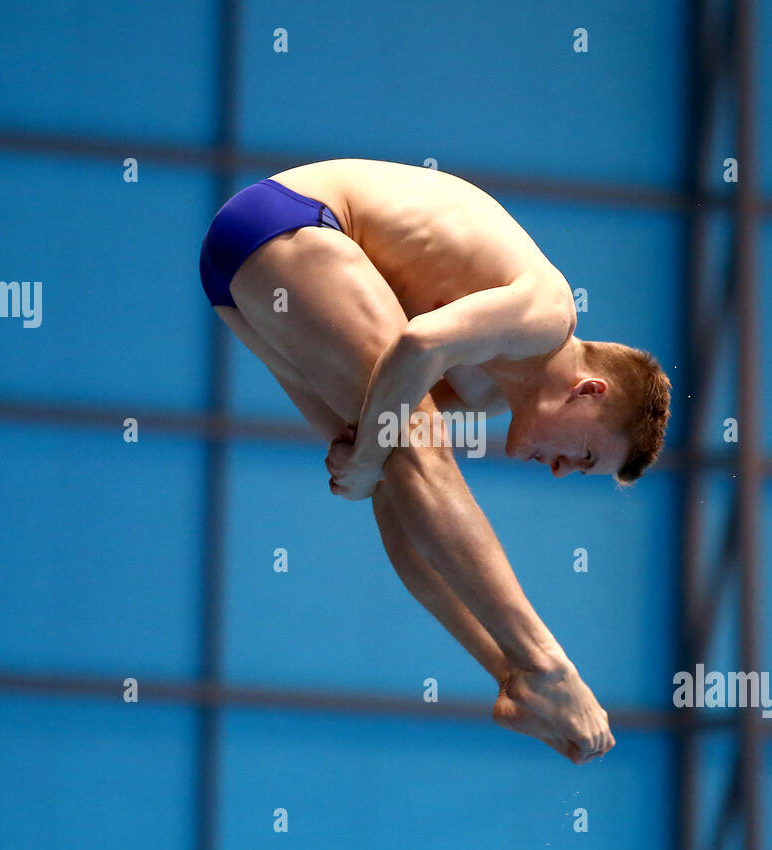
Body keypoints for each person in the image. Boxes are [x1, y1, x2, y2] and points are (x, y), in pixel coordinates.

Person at [199, 159, 671, 764]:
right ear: (589, 391)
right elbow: (418, 343)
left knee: (401, 477)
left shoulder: (483, 389)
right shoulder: (551, 313)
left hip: (234, 272)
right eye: (583, 457)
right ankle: (547, 666)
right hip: (295, 221)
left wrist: (367, 455)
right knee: (410, 450)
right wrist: (368, 452)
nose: (558, 471)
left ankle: (514, 676)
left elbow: (394, 462)